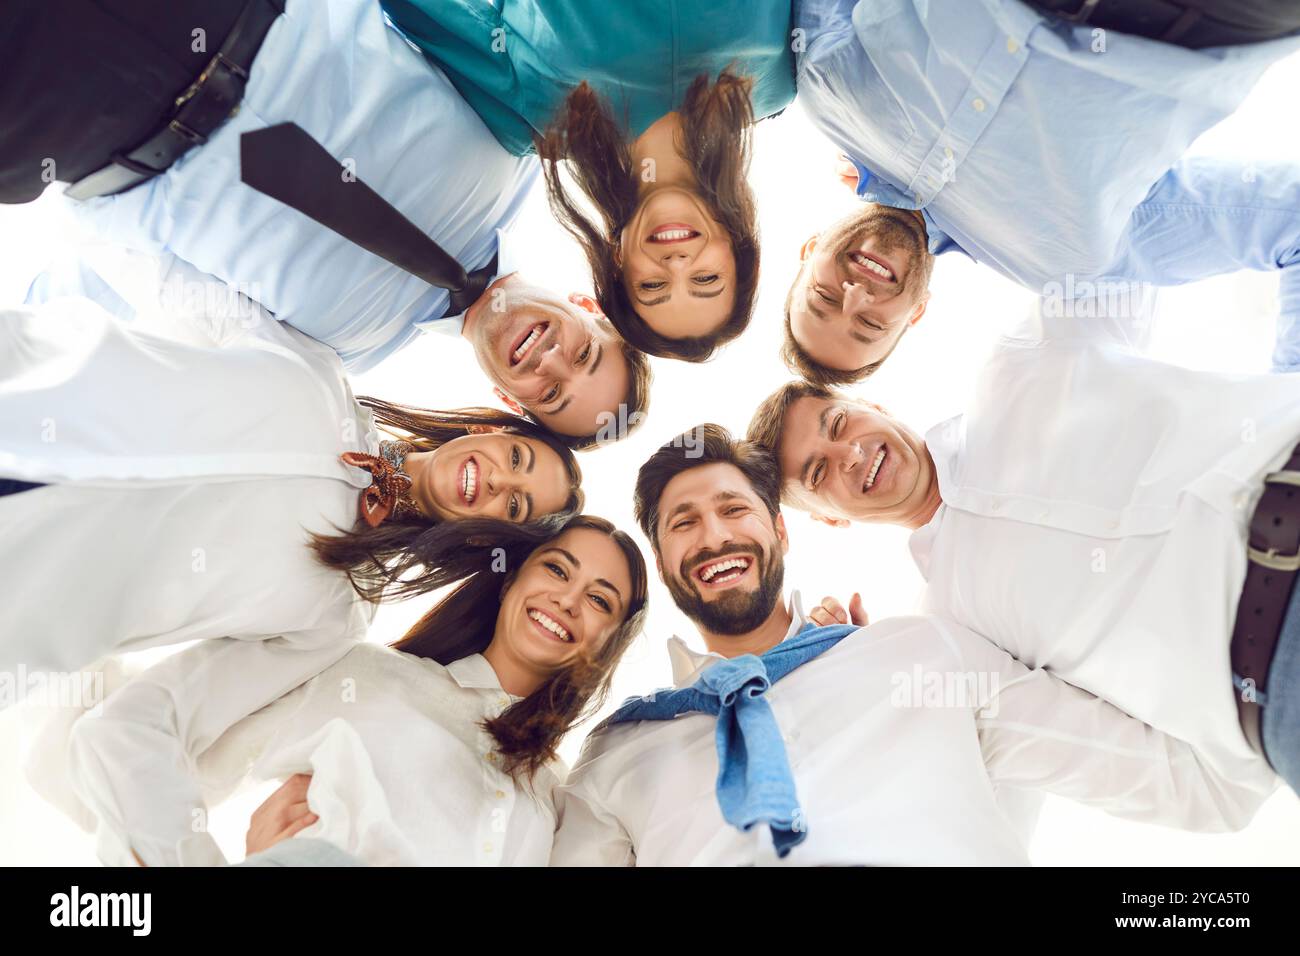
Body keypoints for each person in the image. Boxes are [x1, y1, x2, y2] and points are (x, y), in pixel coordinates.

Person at [549, 425, 1268, 866]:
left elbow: (1173, 781)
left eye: (734, 509)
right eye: (682, 523)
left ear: (780, 533)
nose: (713, 536)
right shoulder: (618, 755)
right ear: (665, 559)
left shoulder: (921, 654)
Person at [1, 0, 649, 446]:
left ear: (513, 403)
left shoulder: (336, 358)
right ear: (585, 303)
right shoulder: (517, 143)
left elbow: (148, 292)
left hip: (80, 125)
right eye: (585, 352)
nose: (552, 363)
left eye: (552, 395)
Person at [748, 293, 1300, 802]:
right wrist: (873, 664)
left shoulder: (1021, 363)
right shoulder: (950, 635)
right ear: (829, 520)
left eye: (838, 422)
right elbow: (1090, 760)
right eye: (819, 472)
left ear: (874, 405)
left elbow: (1113, 224)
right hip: (1280, 684)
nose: (848, 453)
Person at [0, 283, 583, 682]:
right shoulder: (319, 373)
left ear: (487, 538)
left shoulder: (336, 615)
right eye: (516, 457)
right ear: (486, 427)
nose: (499, 480)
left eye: (515, 506)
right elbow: (167, 280)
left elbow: (169, 709)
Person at [64, 516, 648, 866]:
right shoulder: (356, 670)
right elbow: (129, 732)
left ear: (609, 640)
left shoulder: (556, 799)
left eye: (600, 600)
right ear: (510, 581)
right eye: (556, 569)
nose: (568, 599)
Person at [782, 0, 1300, 384]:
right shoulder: (1065, 266)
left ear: (808, 252)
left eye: (823, 296)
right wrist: (1281, 437)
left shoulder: (824, 85)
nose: (856, 295)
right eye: (871, 324)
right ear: (916, 314)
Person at [381, 0, 798, 361]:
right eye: (706, 279)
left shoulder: (533, 122)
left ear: (618, 262)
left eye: (652, 285)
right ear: (738, 247)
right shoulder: (779, 78)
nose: (676, 266)